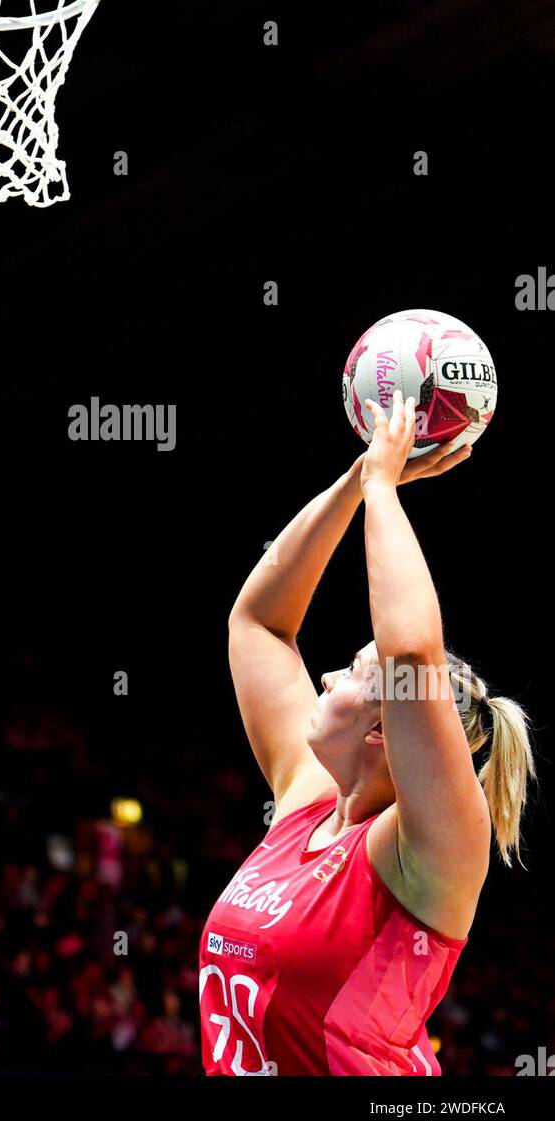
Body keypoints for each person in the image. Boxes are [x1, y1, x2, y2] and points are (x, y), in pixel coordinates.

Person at [199, 393, 535, 1076]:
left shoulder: (430, 847)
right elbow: (259, 622)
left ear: (390, 723)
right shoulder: (306, 799)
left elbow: (411, 653)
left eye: (352, 671)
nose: (321, 678)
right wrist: (355, 482)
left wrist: (386, 489)